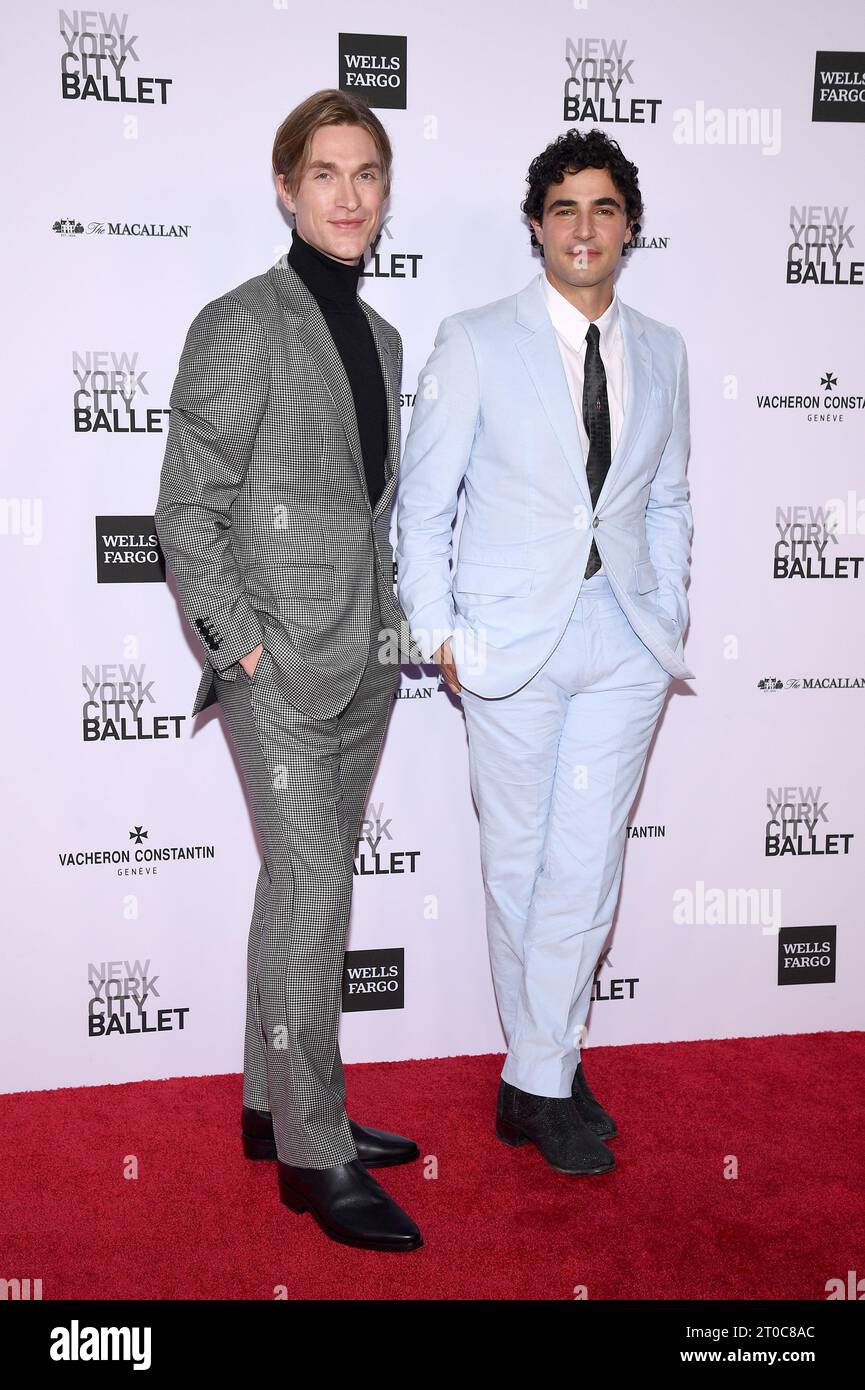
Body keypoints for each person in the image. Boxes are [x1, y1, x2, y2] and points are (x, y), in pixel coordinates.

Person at [396, 128, 695, 1177]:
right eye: (563, 208)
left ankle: (538, 1074)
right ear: (535, 226)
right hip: (507, 639)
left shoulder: (664, 349)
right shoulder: (475, 339)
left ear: (629, 226)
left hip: (625, 637)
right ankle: (545, 1070)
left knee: (587, 860)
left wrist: (669, 609)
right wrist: (439, 634)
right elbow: (423, 506)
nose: (583, 227)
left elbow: (668, 496)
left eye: (603, 208)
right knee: (519, 863)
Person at [154, 89, 421, 1251]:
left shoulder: (382, 337)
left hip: (363, 662)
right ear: (285, 187)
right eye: (325, 173)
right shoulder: (241, 320)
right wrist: (242, 646)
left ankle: (274, 1106)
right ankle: (316, 1155)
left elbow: (360, 511)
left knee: (296, 892)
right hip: (278, 669)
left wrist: (392, 630)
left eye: (366, 174)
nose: (348, 196)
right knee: (317, 894)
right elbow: (185, 507)